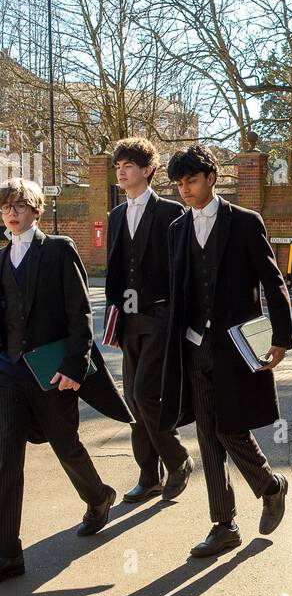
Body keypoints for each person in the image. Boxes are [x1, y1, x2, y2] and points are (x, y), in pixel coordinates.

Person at [158, 145, 292, 558]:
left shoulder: (244, 223)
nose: (185, 189)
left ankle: (270, 485)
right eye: (179, 184)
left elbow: (272, 282)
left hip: (236, 347)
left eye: (192, 181)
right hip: (193, 347)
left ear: (212, 178)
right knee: (206, 433)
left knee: (228, 426)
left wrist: (281, 337)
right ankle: (224, 525)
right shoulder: (177, 230)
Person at [0, 178, 133, 580]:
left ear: (36, 208)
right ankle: (8, 555)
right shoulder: (0, 259)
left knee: (65, 445)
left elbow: (80, 312)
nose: (12, 212)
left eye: (20, 204)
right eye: (6, 206)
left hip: (52, 371)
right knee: (6, 461)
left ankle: (99, 496)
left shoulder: (58, 249)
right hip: (8, 373)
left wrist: (76, 366)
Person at [106, 137, 192, 503]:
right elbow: (115, 270)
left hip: (160, 315)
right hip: (128, 319)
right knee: (132, 400)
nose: (121, 172)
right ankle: (148, 475)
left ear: (148, 170)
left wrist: (177, 315)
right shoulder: (115, 215)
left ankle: (179, 460)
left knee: (146, 394)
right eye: (118, 166)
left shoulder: (171, 212)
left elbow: (182, 268)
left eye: (128, 165)